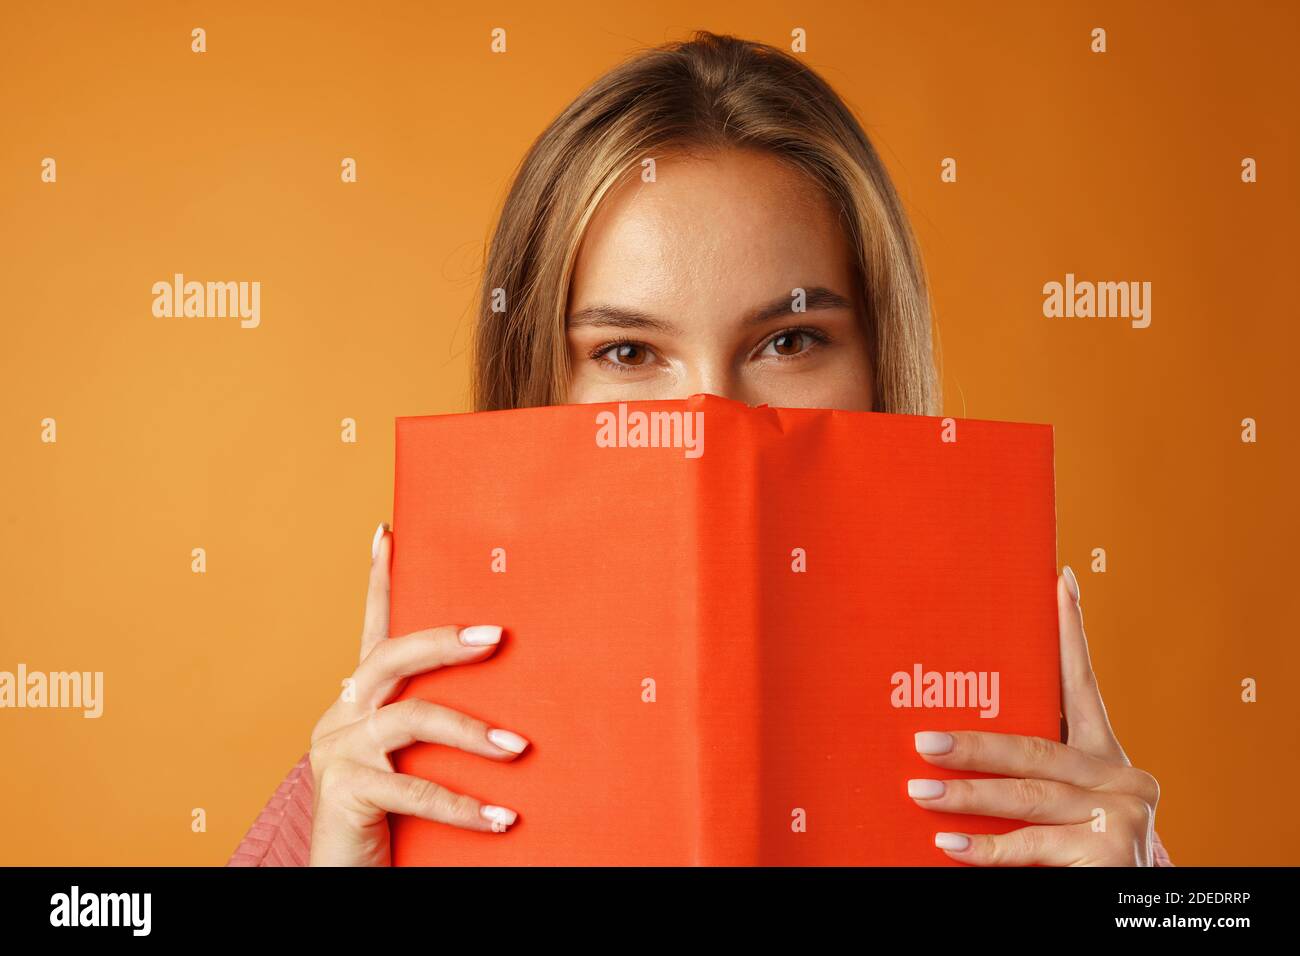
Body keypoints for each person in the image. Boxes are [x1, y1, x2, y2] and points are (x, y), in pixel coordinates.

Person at [229, 31, 1171, 867]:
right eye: (628, 352)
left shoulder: (1045, 803)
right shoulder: (368, 795)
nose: (706, 423)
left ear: (883, 369)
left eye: (790, 341)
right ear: (538, 385)